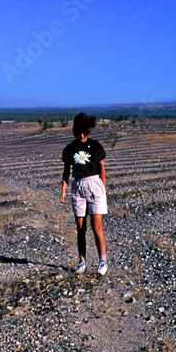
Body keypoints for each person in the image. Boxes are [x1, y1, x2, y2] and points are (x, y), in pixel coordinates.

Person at [59, 113, 108, 275]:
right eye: (78, 132)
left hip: (95, 186)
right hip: (78, 186)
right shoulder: (69, 149)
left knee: (96, 227)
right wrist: (63, 192)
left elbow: (101, 167)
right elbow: (67, 171)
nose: (81, 135)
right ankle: (82, 261)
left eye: (84, 132)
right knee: (81, 228)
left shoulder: (95, 145)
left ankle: (103, 261)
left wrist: (103, 187)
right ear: (75, 130)